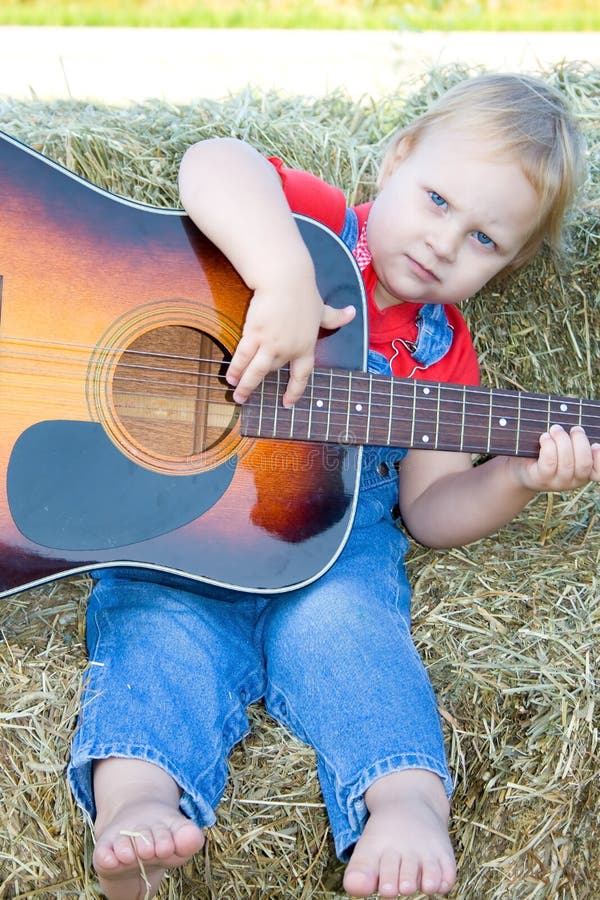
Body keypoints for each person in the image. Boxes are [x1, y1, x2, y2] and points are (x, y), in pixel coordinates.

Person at [67, 73, 599, 900]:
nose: (442, 242)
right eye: (435, 200)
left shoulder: (439, 356)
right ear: (397, 158)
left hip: (334, 550)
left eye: (485, 241)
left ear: (511, 264)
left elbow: (428, 510)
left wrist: (522, 479)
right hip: (185, 523)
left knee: (354, 638)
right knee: (158, 633)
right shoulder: (316, 228)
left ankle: (402, 802)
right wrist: (280, 275)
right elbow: (213, 160)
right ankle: (137, 801)